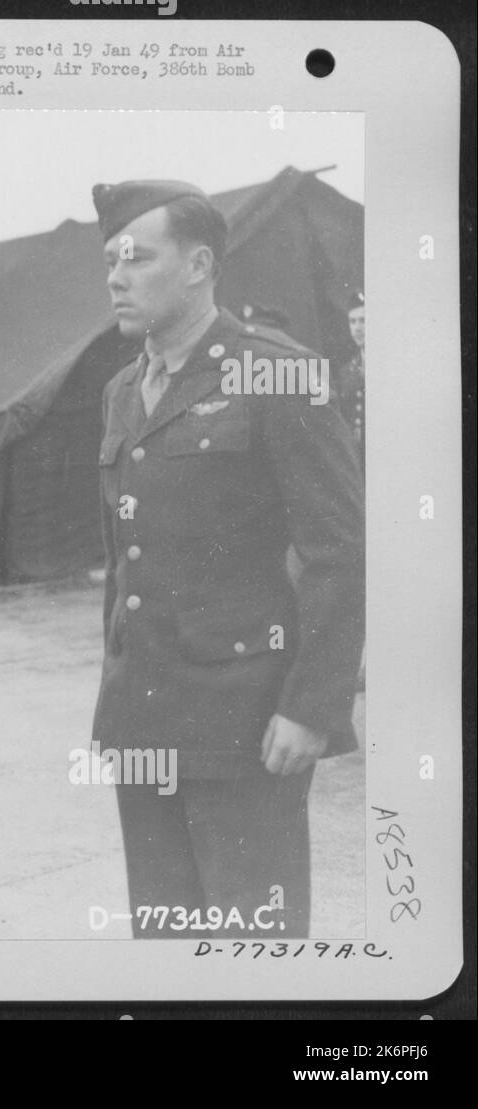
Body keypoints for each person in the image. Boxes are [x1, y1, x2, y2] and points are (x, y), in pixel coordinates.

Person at [90, 180, 364, 938]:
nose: (116, 275)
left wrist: (313, 706)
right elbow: (126, 563)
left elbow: (340, 550)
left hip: (246, 721)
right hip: (143, 716)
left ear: (199, 265)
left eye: (139, 257)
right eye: (111, 259)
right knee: (166, 941)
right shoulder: (121, 390)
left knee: (255, 946)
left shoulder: (273, 370)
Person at [334, 291, 366, 472]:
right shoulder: (346, 371)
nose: (357, 328)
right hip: (357, 458)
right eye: (352, 322)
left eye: (363, 320)